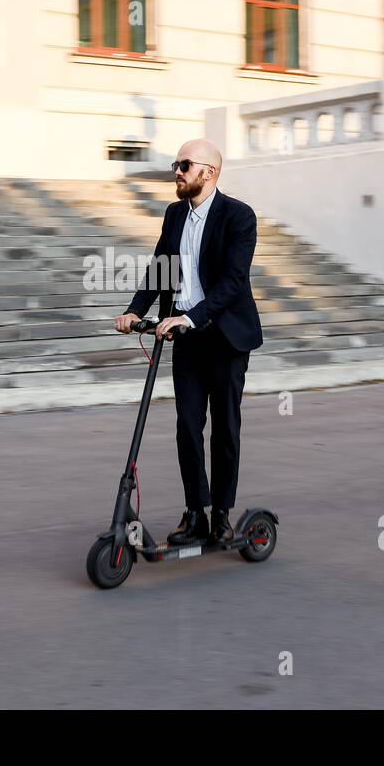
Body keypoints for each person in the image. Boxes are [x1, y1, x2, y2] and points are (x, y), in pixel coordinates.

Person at [113, 138, 264, 546]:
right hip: (185, 337)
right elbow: (161, 268)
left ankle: (221, 516)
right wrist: (134, 311)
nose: (176, 172)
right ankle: (195, 512)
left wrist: (192, 315)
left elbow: (234, 281)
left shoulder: (238, 216)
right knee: (187, 427)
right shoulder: (175, 214)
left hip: (226, 336)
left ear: (208, 172)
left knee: (225, 429)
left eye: (184, 165)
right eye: (174, 164)